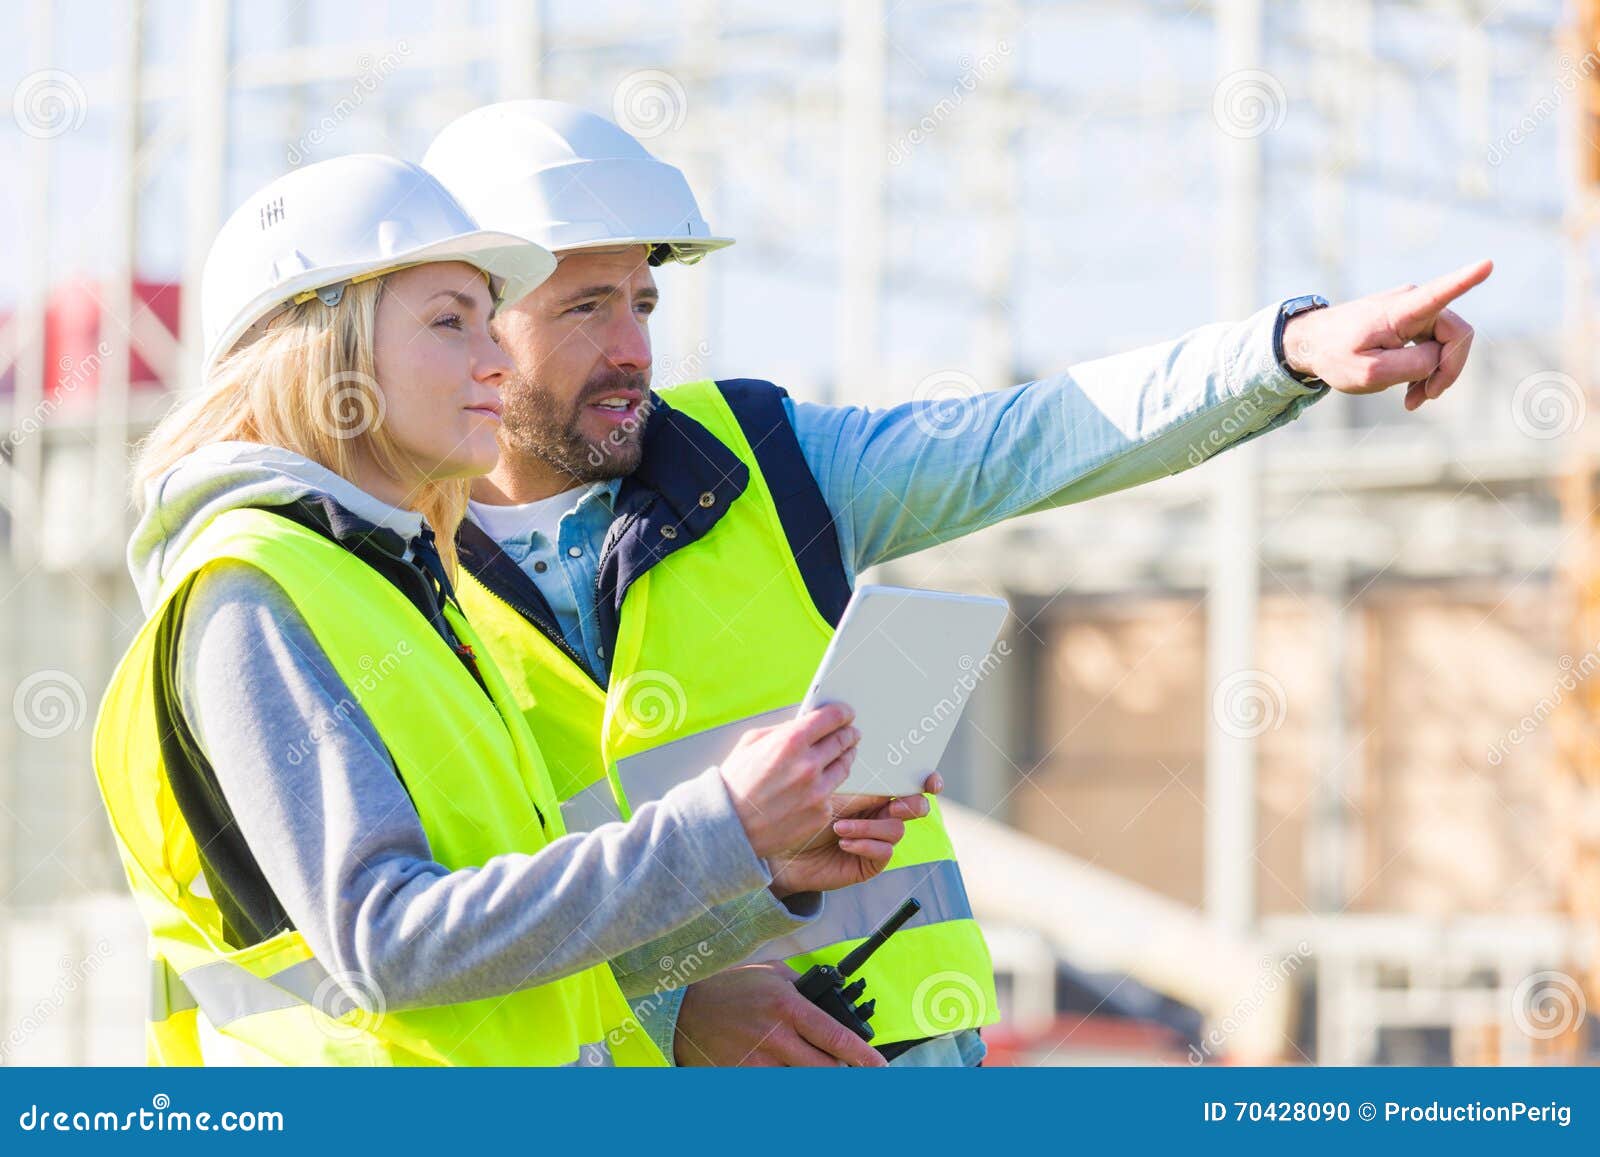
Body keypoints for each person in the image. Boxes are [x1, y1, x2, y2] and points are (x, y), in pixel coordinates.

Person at [422, 100, 1490, 1067]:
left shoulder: (768, 458)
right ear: (472, 322)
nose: (633, 350)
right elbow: (407, 932)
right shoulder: (386, 571)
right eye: (585, 308)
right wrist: (662, 1010)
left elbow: (1034, 436)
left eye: (644, 303)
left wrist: (1286, 351)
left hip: (905, 1068)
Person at [92, 153, 916, 1067]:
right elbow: (389, 942)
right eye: (451, 323)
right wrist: (719, 825)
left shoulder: (390, 583)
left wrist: (758, 867)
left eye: (491, 323)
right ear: (324, 348)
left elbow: (518, 962)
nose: (495, 362)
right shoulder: (251, 592)